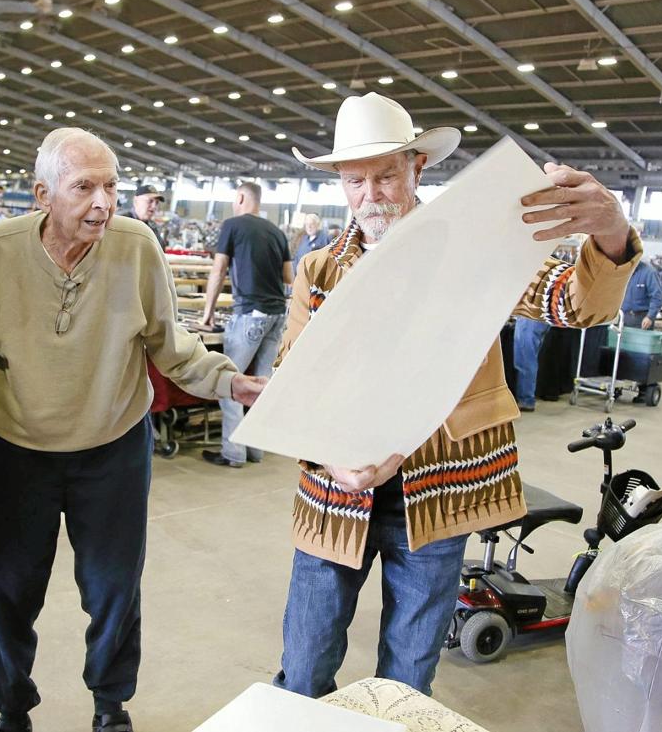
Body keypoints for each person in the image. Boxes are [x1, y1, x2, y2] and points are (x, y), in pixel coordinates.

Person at [272, 92, 642, 697]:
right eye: (355, 180)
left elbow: (576, 306)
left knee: (408, 675)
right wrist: (330, 457)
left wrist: (611, 233)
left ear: (418, 167)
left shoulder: (479, 251)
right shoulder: (319, 271)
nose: (371, 194)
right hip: (334, 496)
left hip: (442, 491)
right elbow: (291, 383)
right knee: (305, 665)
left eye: (386, 175)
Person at [0, 128, 267, 732]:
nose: (103, 203)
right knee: (9, 589)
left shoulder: (136, 245)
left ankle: (110, 705)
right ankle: (11, 709)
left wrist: (231, 382)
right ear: (43, 194)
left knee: (114, 587)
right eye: (84, 187)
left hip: (113, 447)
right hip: (15, 451)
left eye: (111, 187)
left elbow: (169, 343)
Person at [199, 181, 292, 468]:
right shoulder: (277, 232)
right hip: (277, 315)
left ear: (240, 197)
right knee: (261, 386)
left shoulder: (233, 225)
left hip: (250, 313)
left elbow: (218, 270)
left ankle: (234, 453)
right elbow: (289, 277)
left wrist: (207, 313)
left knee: (231, 383)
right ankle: (256, 450)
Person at [512, 317, 549, 411]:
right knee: (529, 357)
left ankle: (526, 399)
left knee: (524, 358)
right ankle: (526, 398)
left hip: (530, 317)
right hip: (538, 316)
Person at [622, 259, 662, 328]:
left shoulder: (649, 272)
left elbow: (657, 297)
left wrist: (650, 317)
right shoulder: (623, 271)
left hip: (642, 320)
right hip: (622, 318)